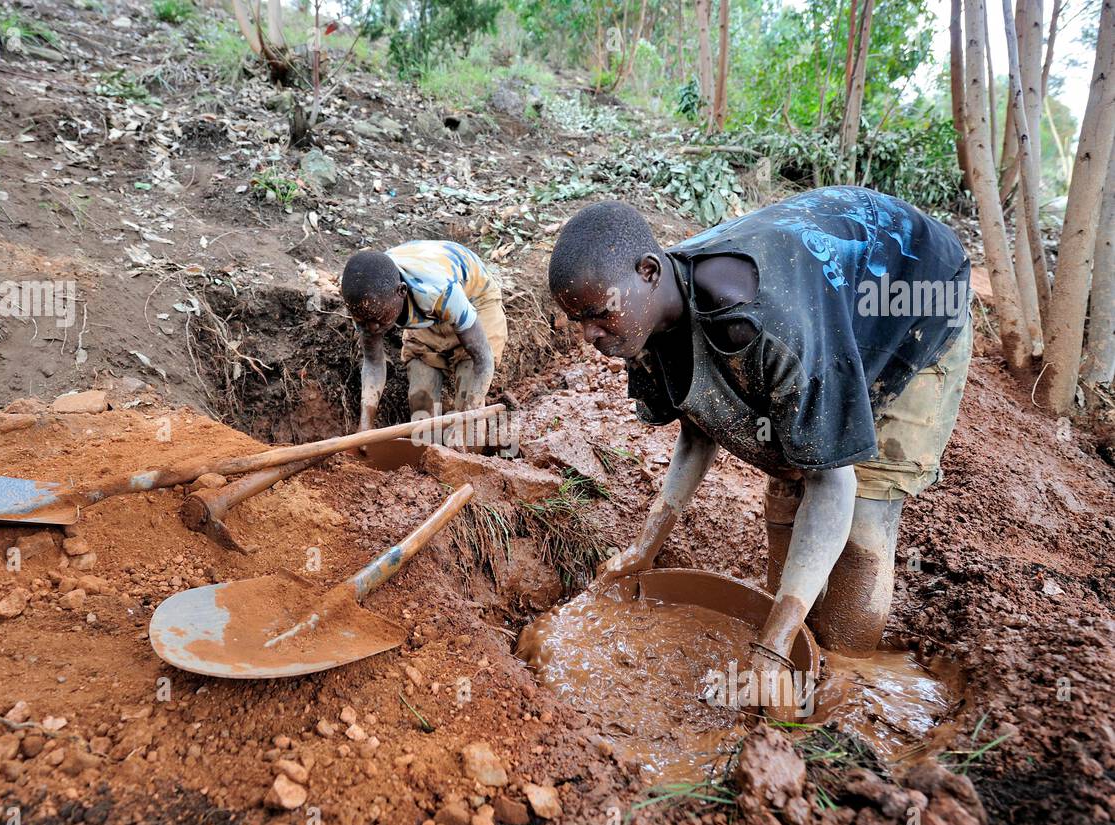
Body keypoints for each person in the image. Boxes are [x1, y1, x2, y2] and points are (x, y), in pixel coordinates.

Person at [547, 187, 971, 716]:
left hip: (912, 299)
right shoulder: (641, 321)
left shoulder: (768, 324)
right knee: (790, 479)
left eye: (596, 314)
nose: (587, 334)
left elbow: (832, 478)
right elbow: (701, 425)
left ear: (649, 272)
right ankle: (795, 645)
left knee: (862, 515)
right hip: (824, 310)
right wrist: (646, 546)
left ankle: (844, 691)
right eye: (577, 320)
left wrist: (773, 644)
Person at [340, 240, 507, 436]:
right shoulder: (366, 304)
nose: (372, 328)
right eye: (364, 321)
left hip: (475, 301)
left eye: (378, 319)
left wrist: (469, 413)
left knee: (467, 424)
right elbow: (374, 364)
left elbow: (483, 359)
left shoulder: (438, 290)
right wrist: (365, 428)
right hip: (428, 313)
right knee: (421, 411)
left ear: (401, 292)